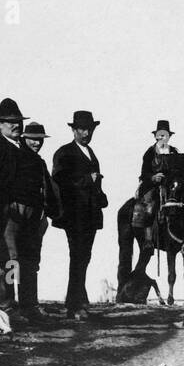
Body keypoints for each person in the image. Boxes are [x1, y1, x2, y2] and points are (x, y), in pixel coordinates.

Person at [0, 99, 51, 323]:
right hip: (7, 215)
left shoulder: (27, 150)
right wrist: (6, 202)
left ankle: (29, 305)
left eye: (18, 121)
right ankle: (8, 305)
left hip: (32, 214)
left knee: (29, 260)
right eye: (9, 122)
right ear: (0, 125)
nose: (15, 125)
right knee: (9, 259)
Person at [51, 110, 108, 319]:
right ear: (74, 130)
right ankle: (74, 305)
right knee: (78, 256)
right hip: (74, 215)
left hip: (90, 215)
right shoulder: (64, 153)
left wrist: (101, 195)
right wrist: (87, 180)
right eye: (82, 129)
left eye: (89, 129)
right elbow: (59, 181)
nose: (86, 133)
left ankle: (76, 300)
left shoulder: (90, 152)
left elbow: (94, 183)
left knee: (84, 257)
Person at [133, 120, 184, 249]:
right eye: (160, 135)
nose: (162, 138)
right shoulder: (149, 153)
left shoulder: (174, 152)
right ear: (155, 136)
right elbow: (143, 173)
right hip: (154, 185)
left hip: (172, 185)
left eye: (165, 135)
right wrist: (153, 177)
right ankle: (149, 240)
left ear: (169, 136)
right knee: (149, 204)